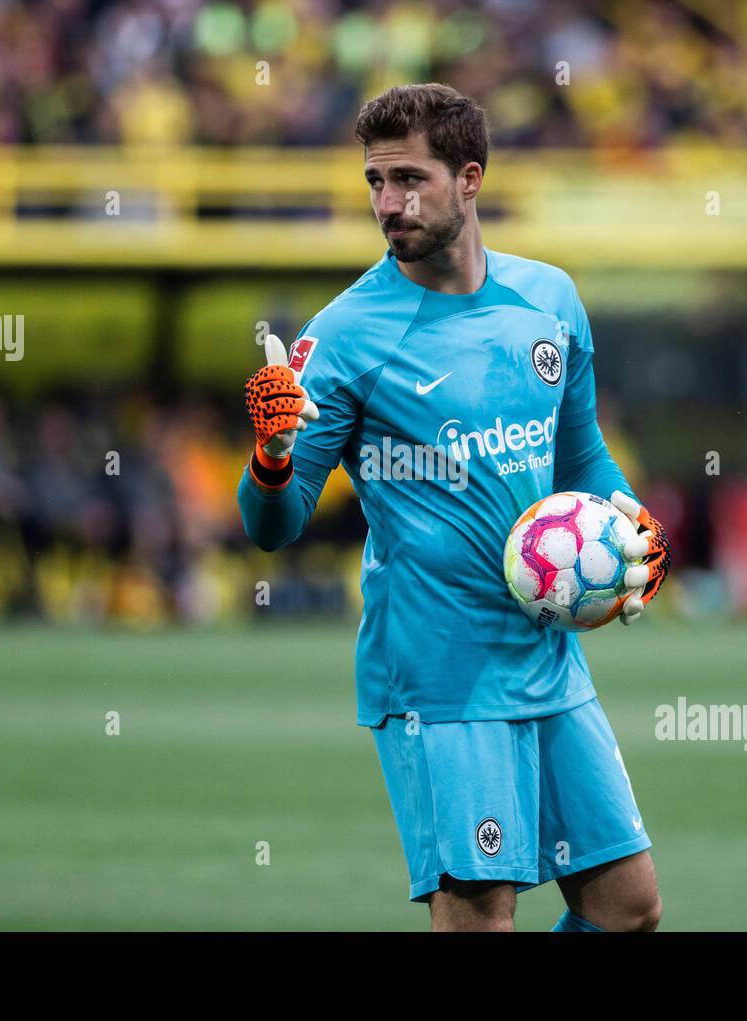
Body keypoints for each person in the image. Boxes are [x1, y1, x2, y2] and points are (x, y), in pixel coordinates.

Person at [237, 83, 669, 932]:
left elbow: (580, 457)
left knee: (628, 907)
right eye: (374, 182)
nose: (387, 203)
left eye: (410, 179)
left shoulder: (548, 299)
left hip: (546, 653)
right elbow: (271, 528)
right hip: (439, 671)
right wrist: (273, 454)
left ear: (469, 178)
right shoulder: (348, 335)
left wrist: (629, 528)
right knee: (480, 914)